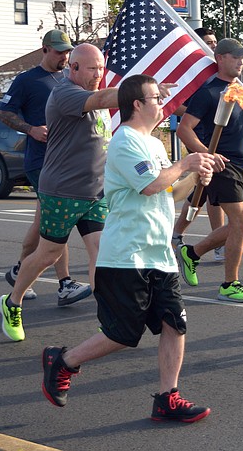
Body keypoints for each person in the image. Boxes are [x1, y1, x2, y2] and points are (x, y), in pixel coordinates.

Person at [41, 74, 213, 422]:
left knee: (174, 324)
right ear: (137, 104)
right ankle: (64, 360)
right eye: (155, 97)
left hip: (159, 256)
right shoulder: (125, 141)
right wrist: (187, 163)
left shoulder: (153, 144)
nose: (161, 102)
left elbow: (169, 193)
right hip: (125, 256)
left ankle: (168, 397)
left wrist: (195, 178)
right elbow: (150, 185)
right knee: (122, 335)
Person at [0, 43, 121, 342]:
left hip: (94, 191)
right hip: (62, 191)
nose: (98, 74)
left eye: (101, 68)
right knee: (48, 254)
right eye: (92, 68)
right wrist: (143, 88)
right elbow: (104, 96)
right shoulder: (66, 93)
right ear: (74, 68)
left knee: (101, 254)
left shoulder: (93, 97)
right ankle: (13, 302)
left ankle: (108, 318)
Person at [175, 38, 243, 303]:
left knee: (240, 226)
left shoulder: (238, 90)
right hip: (221, 166)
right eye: (236, 56)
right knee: (241, 223)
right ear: (220, 58)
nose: (241, 61)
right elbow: (185, 129)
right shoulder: (208, 92)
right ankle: (230, 284)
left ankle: (191, 253)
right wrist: (208, 154)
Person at [0, 30, 74, 300]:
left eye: (66, 51)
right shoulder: (26, 80)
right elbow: (4, 112)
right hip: (40, 161)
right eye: (58, 51)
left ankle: (21, 270)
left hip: (67, 161)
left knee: (43, 221)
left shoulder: (69, 78)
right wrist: (30, 129)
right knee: (59, 218)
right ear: (44, 50)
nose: (64, 56)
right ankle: (65, 283)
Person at [172, 27, 227, 262]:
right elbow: (173, 105)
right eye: (207, 42)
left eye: (214, 42)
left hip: (222, 139)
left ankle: (178, 236)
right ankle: (218, 243)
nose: (212, 46)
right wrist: (199, 111)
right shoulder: (189, 74)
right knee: (209, 191)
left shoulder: (219, 72)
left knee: (203, 194)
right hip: (199, 138)